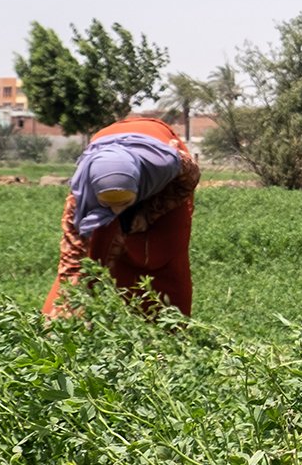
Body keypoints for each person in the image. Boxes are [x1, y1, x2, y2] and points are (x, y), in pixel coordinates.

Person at [43, 115, 199, 319]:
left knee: (163, 251)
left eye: (123, 204)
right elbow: (72, 257)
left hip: (159, 184)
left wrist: (150, 213)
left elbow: (189, 181)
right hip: (110, 158)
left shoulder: (171, 165)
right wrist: (66, 308)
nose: (116, 212)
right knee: (98, 247)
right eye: (108, 205)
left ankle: (168, 329)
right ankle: (94, 316)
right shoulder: (81, 197)